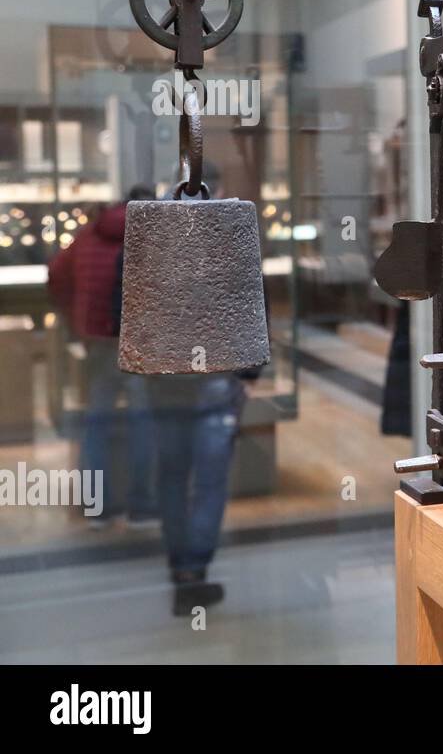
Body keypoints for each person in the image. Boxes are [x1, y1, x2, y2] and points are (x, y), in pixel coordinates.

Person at [143, 161, 261, 617]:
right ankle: (193, 570)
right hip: (213, 385)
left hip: (167, 388)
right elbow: (251, 308)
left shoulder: (157, 246)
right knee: (207, 485)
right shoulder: (226, 243)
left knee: (172, 478)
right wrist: (247, 377)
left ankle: (181, 568)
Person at [47, 184, 159, 528]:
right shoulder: (150, 236)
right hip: (138, 344)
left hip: (98, 342)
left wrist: (74, 318)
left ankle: (98, 508)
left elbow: (55, 275)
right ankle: (141, 507)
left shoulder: (88, 234)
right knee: (144, 424)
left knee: (96, 424)